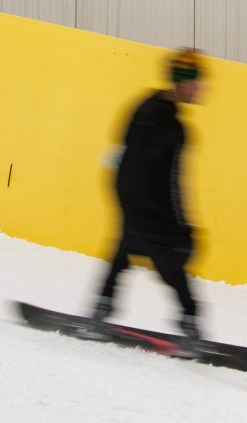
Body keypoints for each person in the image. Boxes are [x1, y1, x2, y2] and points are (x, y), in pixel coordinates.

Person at [89, 47, 206, 346]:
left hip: (134, 204)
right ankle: (191, 323)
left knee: (122, 255)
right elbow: (170, 182)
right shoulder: (175, 129)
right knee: (169, 266)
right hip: (149, 213)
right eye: (196, 81)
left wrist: (126, 204)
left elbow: (120, 156)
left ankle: (101, 308)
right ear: (182, 83)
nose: (202, 88)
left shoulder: (143, 106)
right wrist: (181, 227)